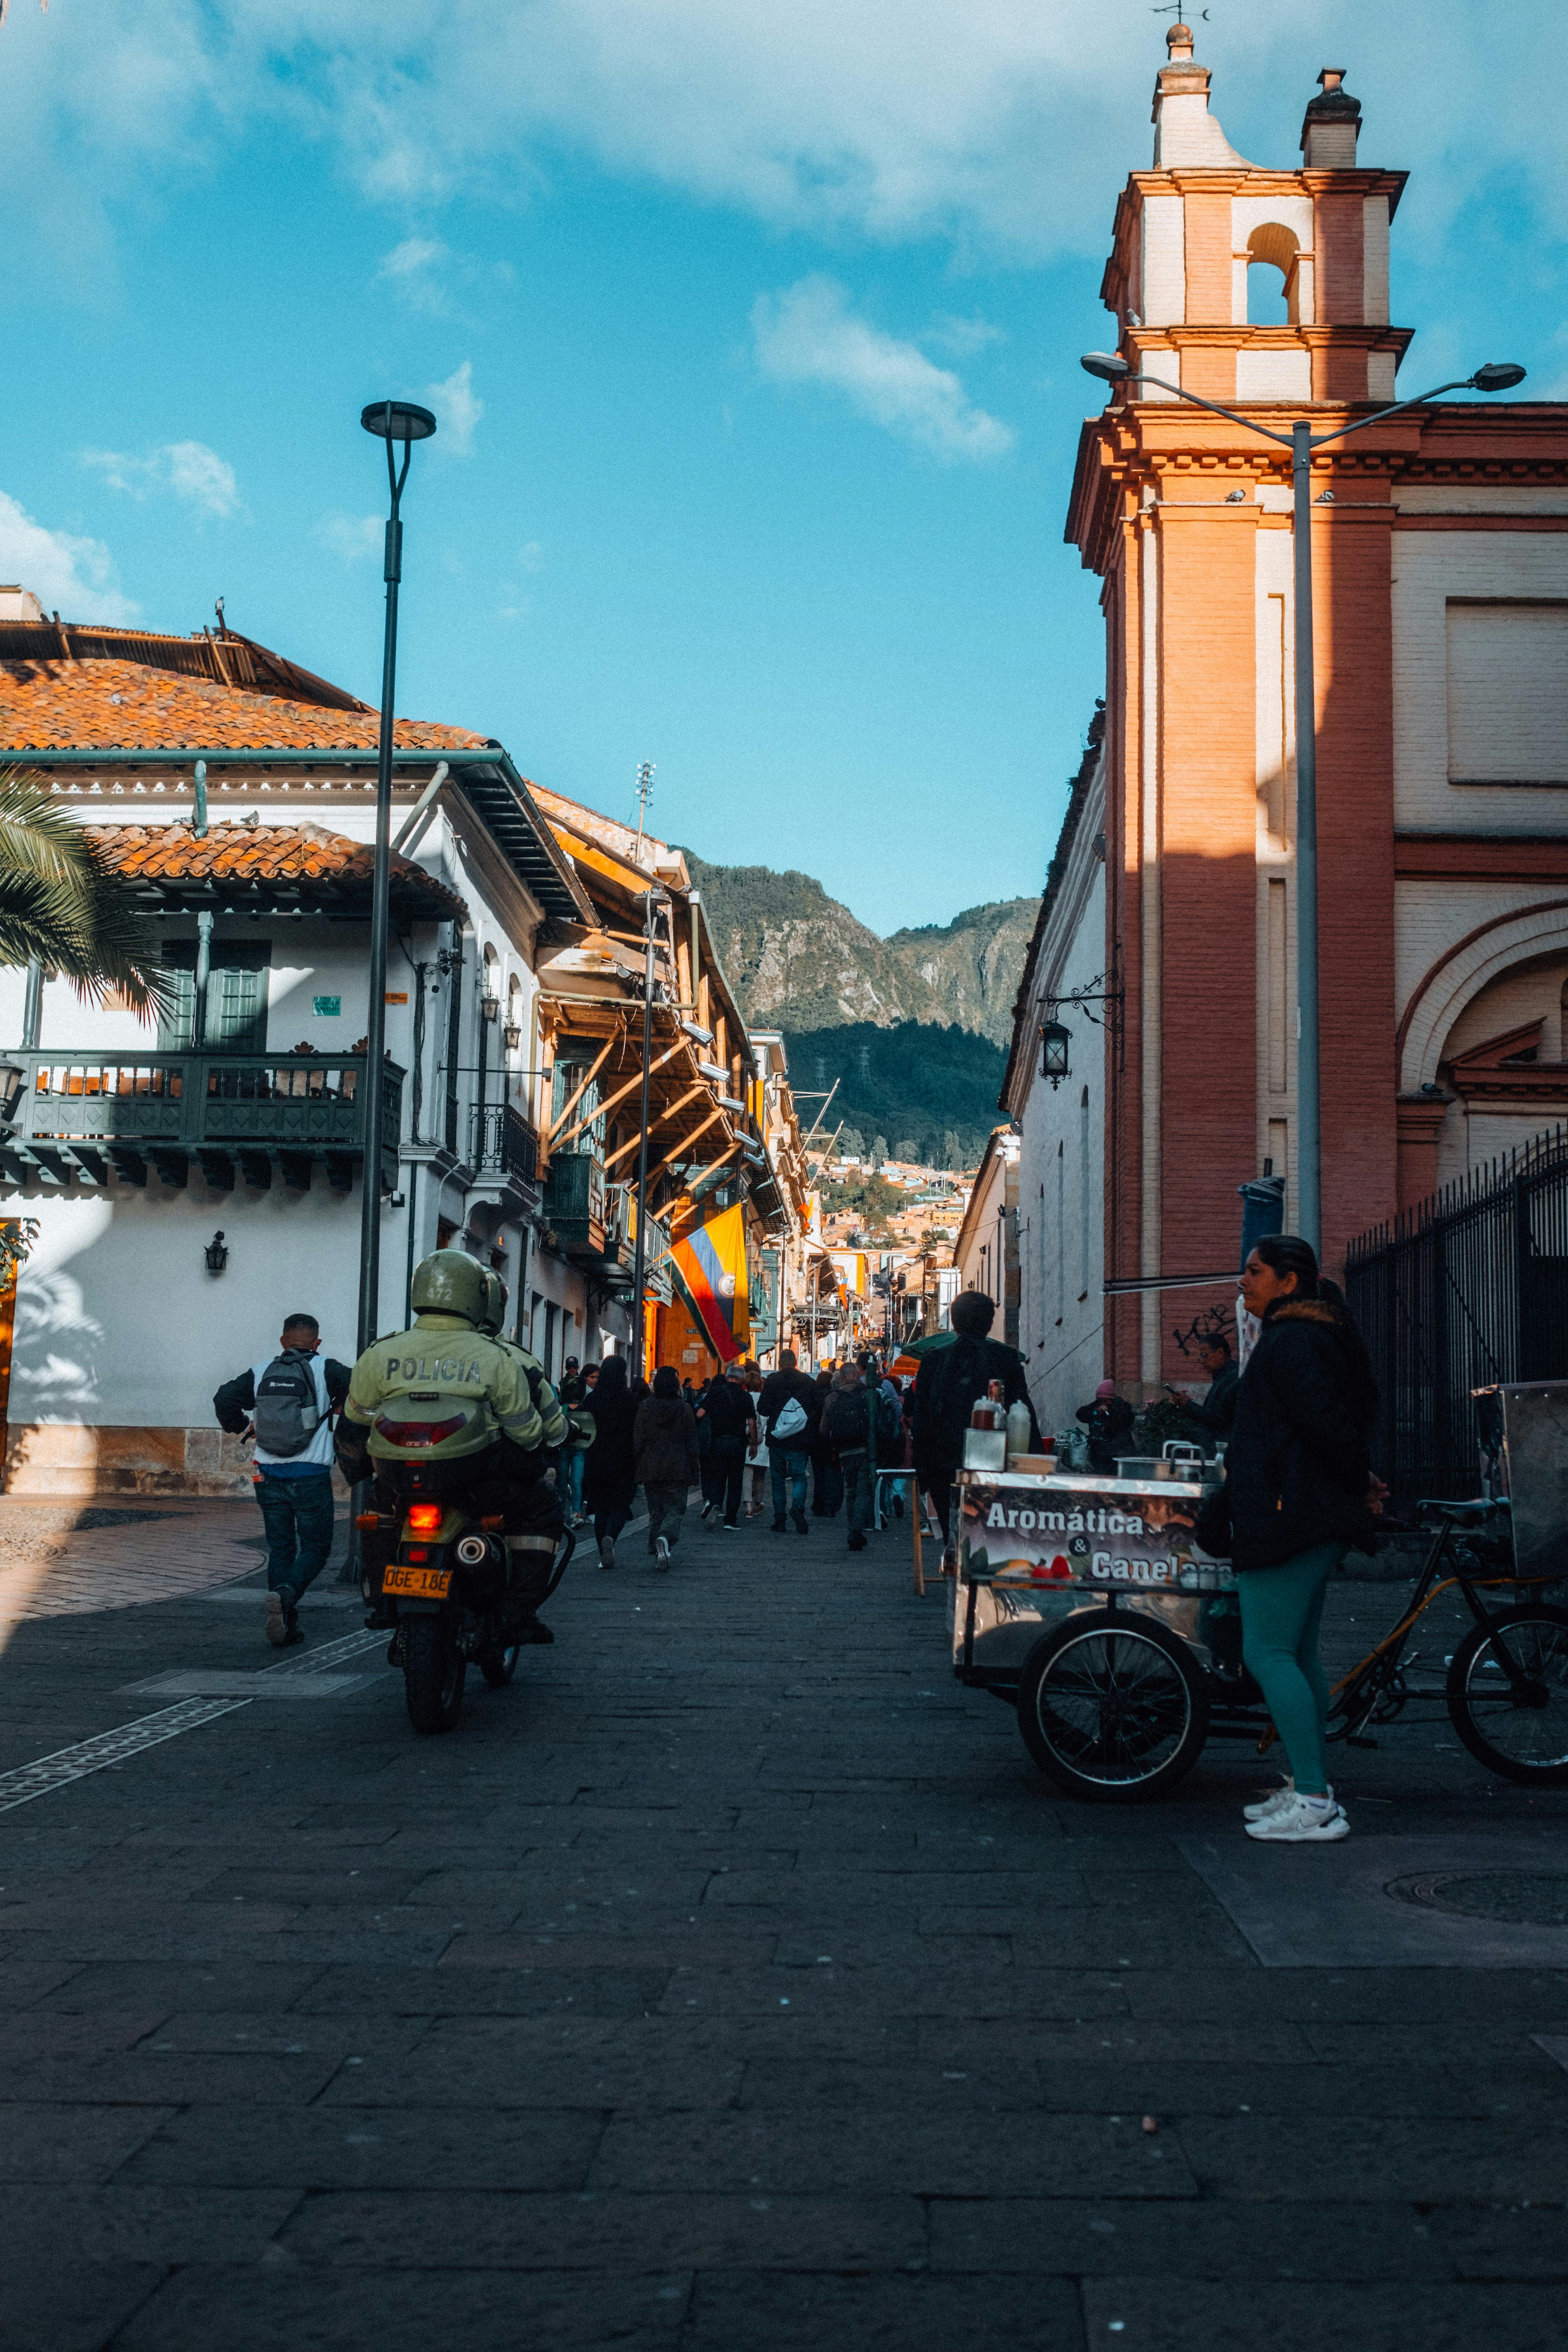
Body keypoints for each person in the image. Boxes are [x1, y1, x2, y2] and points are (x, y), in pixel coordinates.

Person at [1220, 1233, 1380, 1846]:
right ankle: (1310, 1786)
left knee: (1269, 1654)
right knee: (1299, 1653)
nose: (1243, 1281)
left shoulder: (1291, 1342)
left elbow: (1325, 1427)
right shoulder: (1313, 1336)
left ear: (1289, 1282)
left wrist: (1354, 1481)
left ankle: (1314, 1802)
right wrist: (1358, 1482)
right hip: (1307, 1514)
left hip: (1288, 1518)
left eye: (1255, 1272)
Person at [335, 1251, 555, 1642]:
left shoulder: (380, 1353)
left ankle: (381, 1595)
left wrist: (360, 1472)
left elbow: (355, 1421)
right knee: (540, 1513)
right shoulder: (496, 1358)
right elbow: (525, 1432)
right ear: (477, 1298)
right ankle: (516, 1611)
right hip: (476, 1486)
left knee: (378, 1516)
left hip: (399, 1482)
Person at [214, 1312, 352, 1648]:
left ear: (282, 1341)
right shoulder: (326, 1369)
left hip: (269, 1475)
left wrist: (241, 1425)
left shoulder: (261, 1372)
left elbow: (224, 1398)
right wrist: (342, 1410)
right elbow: (364, 1387)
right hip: (310, 1476)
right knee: (317, 1549)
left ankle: (285, 1622)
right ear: (317, 1343)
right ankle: (286, 1594)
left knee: (281, 1547)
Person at [913, 1291, 1041, 1568]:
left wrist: (922, 1470)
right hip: (998, 1464)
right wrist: (1036, 1462)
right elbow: (1023, 1412)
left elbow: (921, 1420)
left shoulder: (935, 1361)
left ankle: (958, 1587)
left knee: (954, 1535)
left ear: (955, 1325)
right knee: (997, 1536)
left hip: (944, 1464)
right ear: (989, 1322)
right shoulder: (1006, 1359)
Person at [821, 1359, 896, 1553]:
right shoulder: (870, 1395)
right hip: (866, 1450)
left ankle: (853, 1528)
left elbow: (823, 1429)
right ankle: (856, 1530)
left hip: (845, 1451)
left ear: (842, 1376)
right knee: (865, 1491)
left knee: (851, 1490)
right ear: (857, 1374)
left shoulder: (832, 1398)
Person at [634, 1364, 701, 1568]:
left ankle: (658, 1553)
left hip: (651, 1465)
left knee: (656, 1511)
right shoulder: (684, 1408)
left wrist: (637, 1465)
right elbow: (692, 1441)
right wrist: (695, 1470)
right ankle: (665, 1538)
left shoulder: (645, 1406)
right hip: (678, 1465)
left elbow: (639, 1439)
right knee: (676, 1509)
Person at [755, 1347, 822, 1534]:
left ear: (779, 1364)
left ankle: (780, 1520)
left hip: (778, 1438)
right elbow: (819, 1407)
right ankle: (798, 1508)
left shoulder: (773, 1382)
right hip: (800, 1439)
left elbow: (763, 1409)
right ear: (795, 1363)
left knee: (777, 1480)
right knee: (799, 1477)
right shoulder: (808, 1382)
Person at [582, 1354, 639, 1568]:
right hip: (624, 1460)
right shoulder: (630, 1400)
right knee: (621, 1505)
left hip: (596, 1460)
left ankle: (602, 1553)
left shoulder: (592, 1399)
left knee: (601, 1508)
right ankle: (612, 1537)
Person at [697, 1362, 756, 1530]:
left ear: (727, 1377)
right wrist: (754, 1444)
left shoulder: (715, 1393)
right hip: (737, 1443)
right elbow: (752, 1423)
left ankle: (716, 1504)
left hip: (718, 1441)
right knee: (736, 1481)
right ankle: (731, 1520)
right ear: (742, 1379)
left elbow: (700, 1413)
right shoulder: (746, 1397)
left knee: (718, 1477)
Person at [1167, 1337, 1239, 1449]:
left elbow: (1218, 1418)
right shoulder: (1223, 1377)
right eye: (1201, 1357)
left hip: (1221, 1449)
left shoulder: (1232, 1377)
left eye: (1205, 1355)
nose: (1202, 1361)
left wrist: (1188, 1405)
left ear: (1220, 1353)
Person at [1076, 1378, 1136, 1473]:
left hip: (1118, 1454)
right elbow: (1081, 1415)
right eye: (1101, 1401)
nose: (1103, 1404)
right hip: (1099, 1454)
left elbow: (1125, 1421)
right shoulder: (1096, 1407)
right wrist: (1095, 1411)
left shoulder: (1123, 1408)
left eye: (1106, 1401)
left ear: (1112, 1399)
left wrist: (1109, 1414)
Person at [558, 1356, 590, 1524]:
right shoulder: (565, 1404)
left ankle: (575, 1512)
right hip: (566, 1447)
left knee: (575, 1482)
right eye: (570, 1367)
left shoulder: (583, 1401)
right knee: (564, 1482)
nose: (572, 1369)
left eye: (574, 1367)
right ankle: (566, 1512)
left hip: (576, 1447)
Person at [811, 1367, 843, 1522]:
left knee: (819, 1476)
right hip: (832, 1441)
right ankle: (831, 1505)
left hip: (816, 1441)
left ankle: (818, 1505)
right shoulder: (833, 1398)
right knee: (833, 1474)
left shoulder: (815, 1397)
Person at [741, 1359, 769, 1516]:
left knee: (747, 1474)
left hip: (746, 1441)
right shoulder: (765, 1400)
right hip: (763, 1443)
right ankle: (758, 1502)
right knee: (760, 1475)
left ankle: (748, 1507)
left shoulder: (743, 1398)